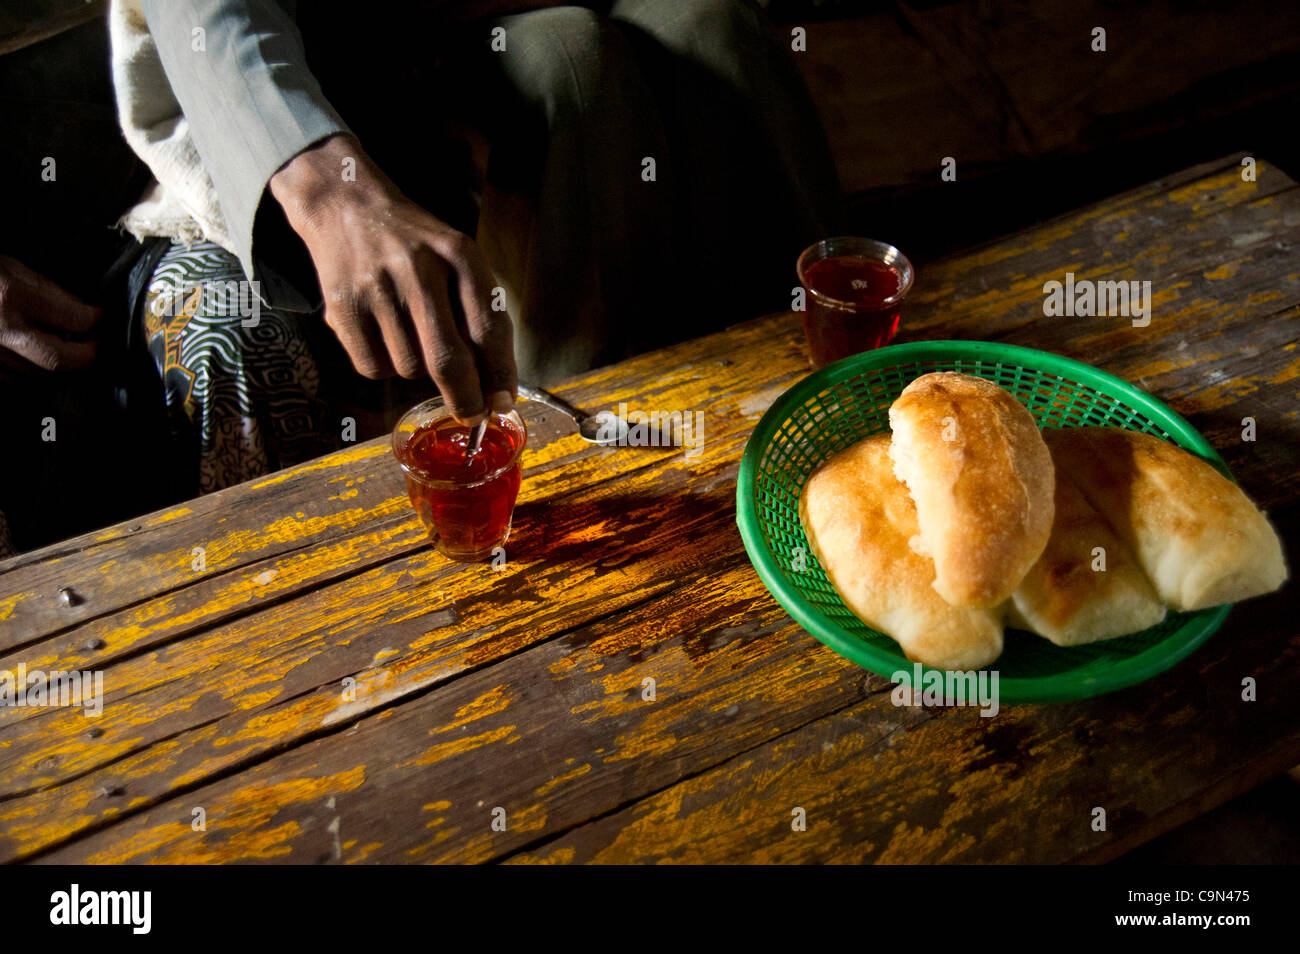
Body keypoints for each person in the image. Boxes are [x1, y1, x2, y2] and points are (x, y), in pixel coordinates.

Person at [119, 0, 841, 455]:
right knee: (569, 60)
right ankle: (574, 447)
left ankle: (811, 416)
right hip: (348, 70)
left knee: (714, 25)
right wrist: (323, 190)